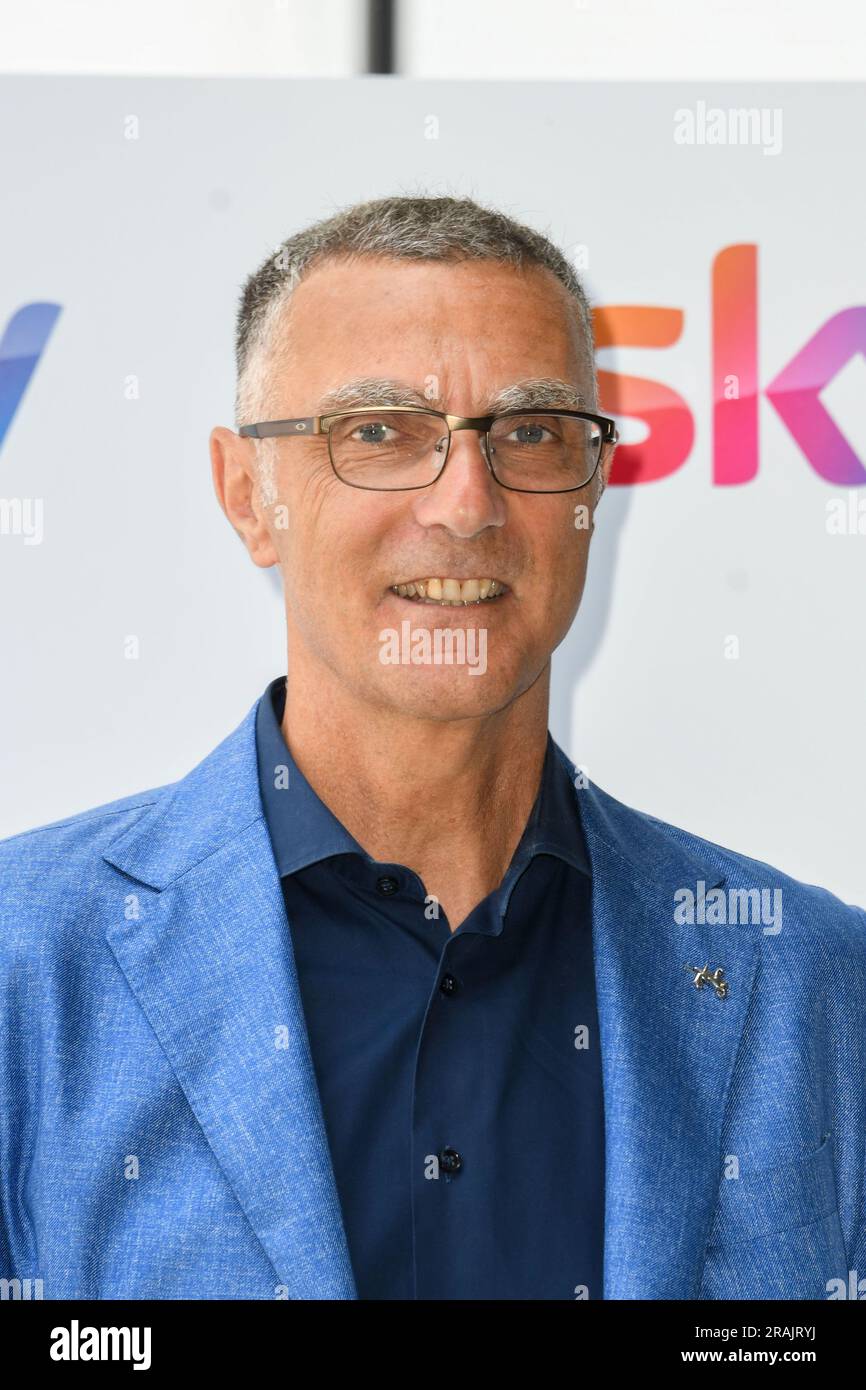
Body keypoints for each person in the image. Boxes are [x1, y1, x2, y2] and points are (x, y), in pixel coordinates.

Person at [1, 195, 862, 1301]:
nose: (466, 504)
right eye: (378, 432)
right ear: (246, 495)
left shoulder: (811, 979)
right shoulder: (28, 965)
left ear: (595, 486)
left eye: (531, 433)